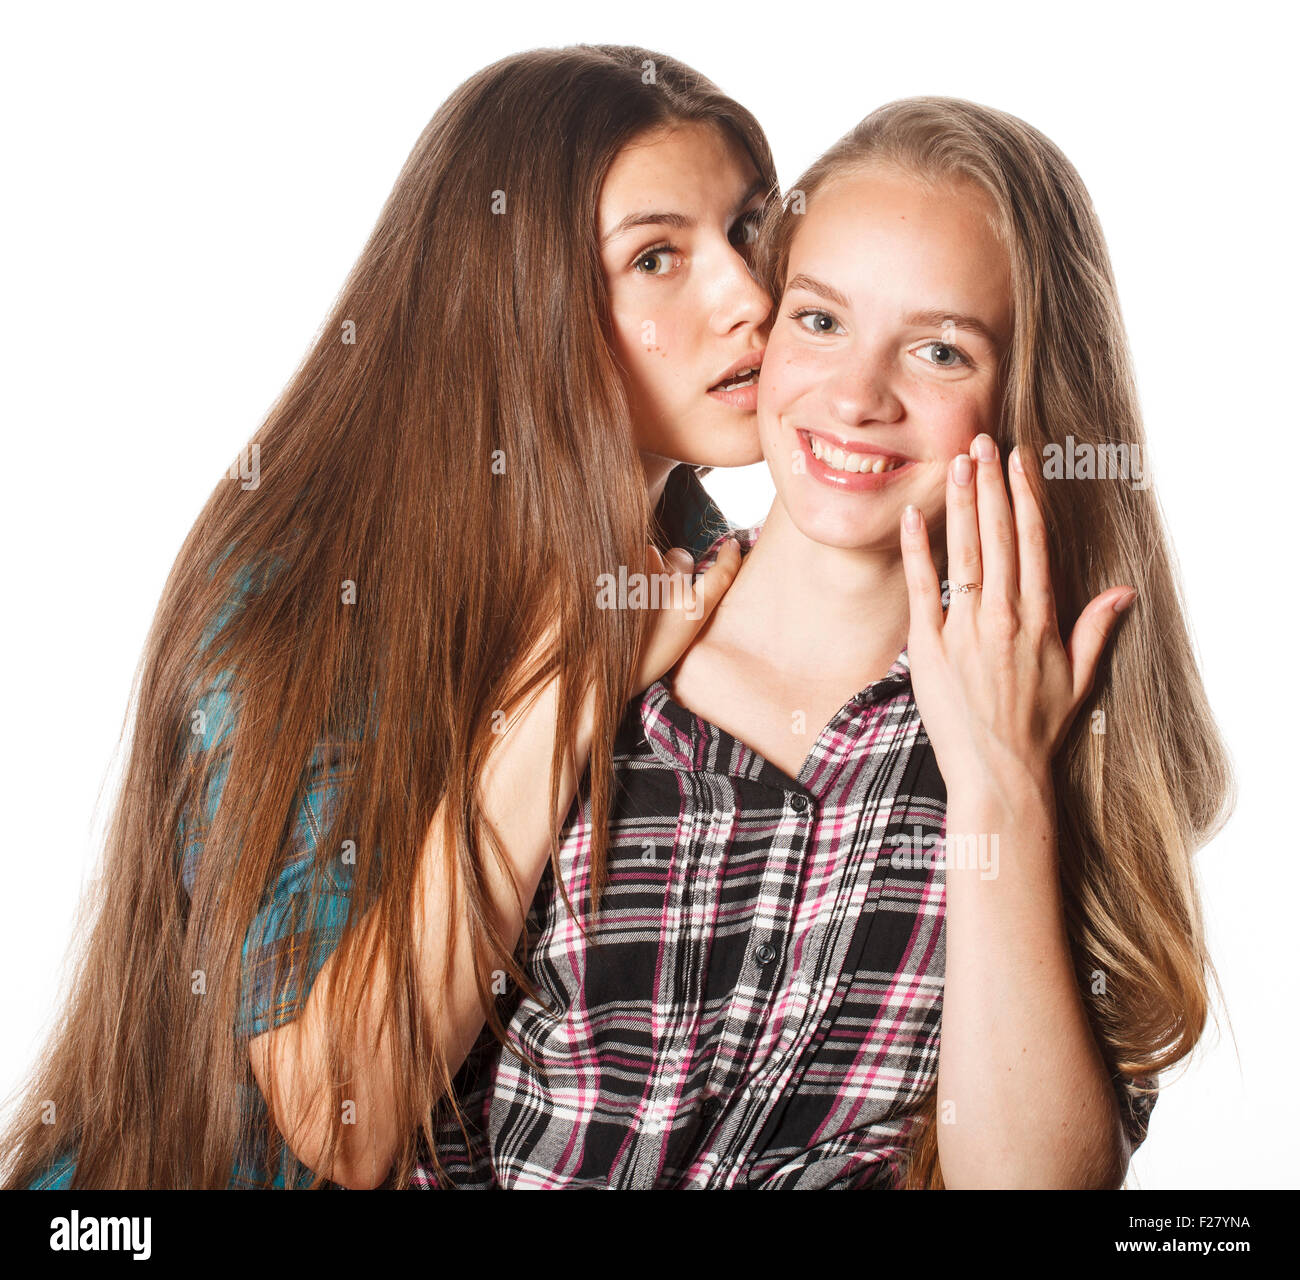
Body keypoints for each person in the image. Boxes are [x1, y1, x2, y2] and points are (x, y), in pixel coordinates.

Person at [409, 96, 1234, 1189]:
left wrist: (1000, 787)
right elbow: (365, 1100)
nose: (855, 397)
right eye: (820, 321)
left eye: (939, 350)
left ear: (1026, 399)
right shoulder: (583, 651)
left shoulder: (1067, 737)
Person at [4, 44, 775, 1190]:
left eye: (751, 229)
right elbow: (342, 1114)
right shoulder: (300, 603)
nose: (748, 296)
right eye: (655, 256)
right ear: (517, 299)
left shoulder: (729, 581)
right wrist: (569, 694)